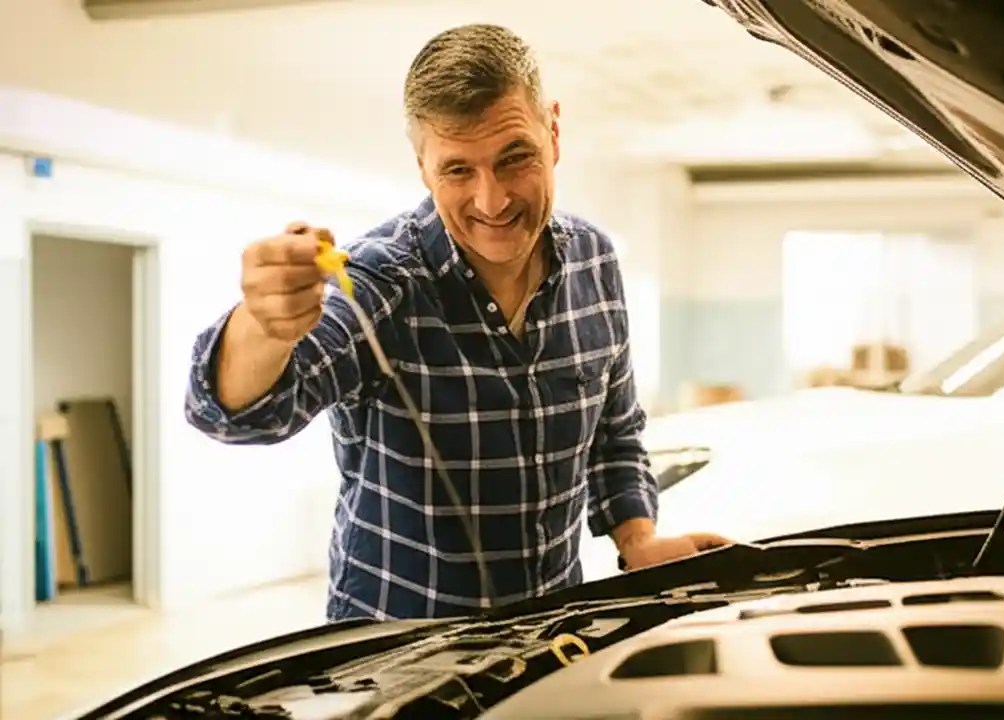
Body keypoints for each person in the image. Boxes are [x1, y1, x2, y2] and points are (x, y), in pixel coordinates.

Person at [183, 23, 731, 621]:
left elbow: (615, 434)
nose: (492, 201)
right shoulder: (382, 280)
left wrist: (639, 541)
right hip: (399, 647)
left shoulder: (594, 261)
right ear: (422, 166)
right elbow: (236, 417)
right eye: (458, 171)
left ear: (552, 132)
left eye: (514, 158)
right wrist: (263, 324)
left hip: (550, 632)